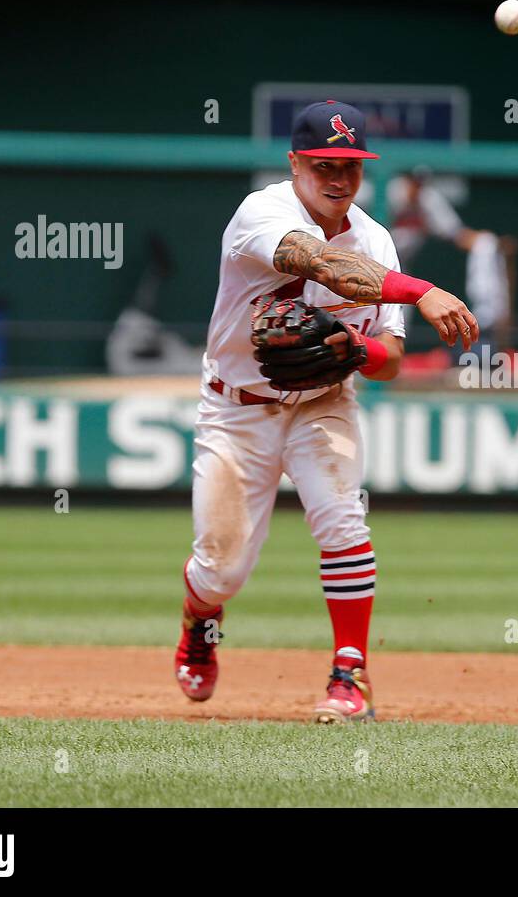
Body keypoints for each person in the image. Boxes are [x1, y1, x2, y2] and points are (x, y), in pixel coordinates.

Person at [174, 101, 478, 723]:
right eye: (322, 165)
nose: (337, 178)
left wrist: (355, 349)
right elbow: (323, 266)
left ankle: (349, 674)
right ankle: (201, 621)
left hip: (324, 402)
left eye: (350, 165)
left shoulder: (377, 236)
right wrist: (423, 289)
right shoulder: (263, 212)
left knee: (344, 522)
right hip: (238, 410)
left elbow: (390, 356)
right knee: (222, 567)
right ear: (294, 163)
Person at [387, 168, 515, 356]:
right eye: (413, 182)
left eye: (420, 183)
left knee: (399, 320)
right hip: (371, 260)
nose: (417, 187)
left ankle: (389, 366)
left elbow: (457, 235)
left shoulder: (428, 200)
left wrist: (485, 241)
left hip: (400, 265)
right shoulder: (389, 193)